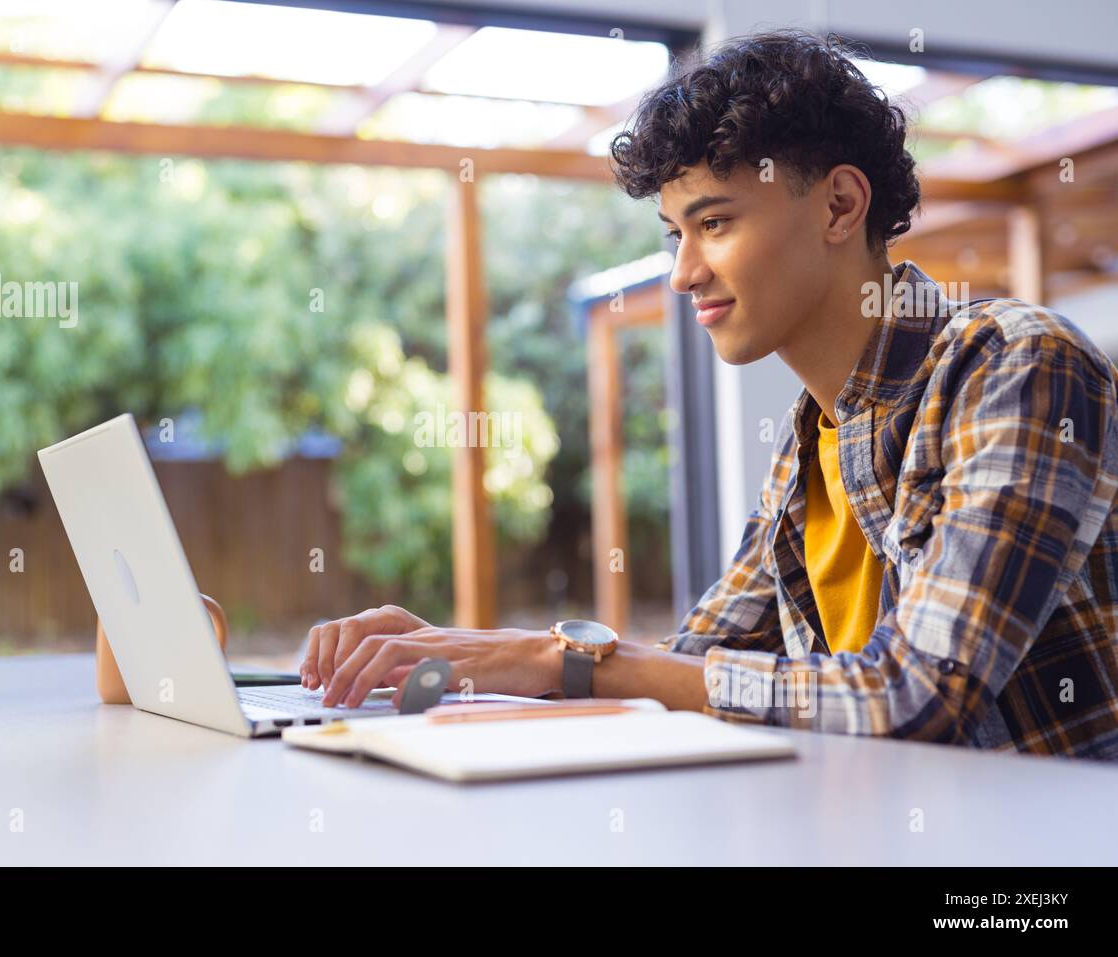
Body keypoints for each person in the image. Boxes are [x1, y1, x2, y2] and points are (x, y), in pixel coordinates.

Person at [299, 29, 1118, 760]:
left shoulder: (1018, 365)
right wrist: (469, 652)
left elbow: (921, 692)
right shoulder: (812, 442)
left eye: (716, 223)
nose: (684, 272)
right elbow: (692, 662)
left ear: (840, 204)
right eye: (675, 234)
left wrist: (563, 659)